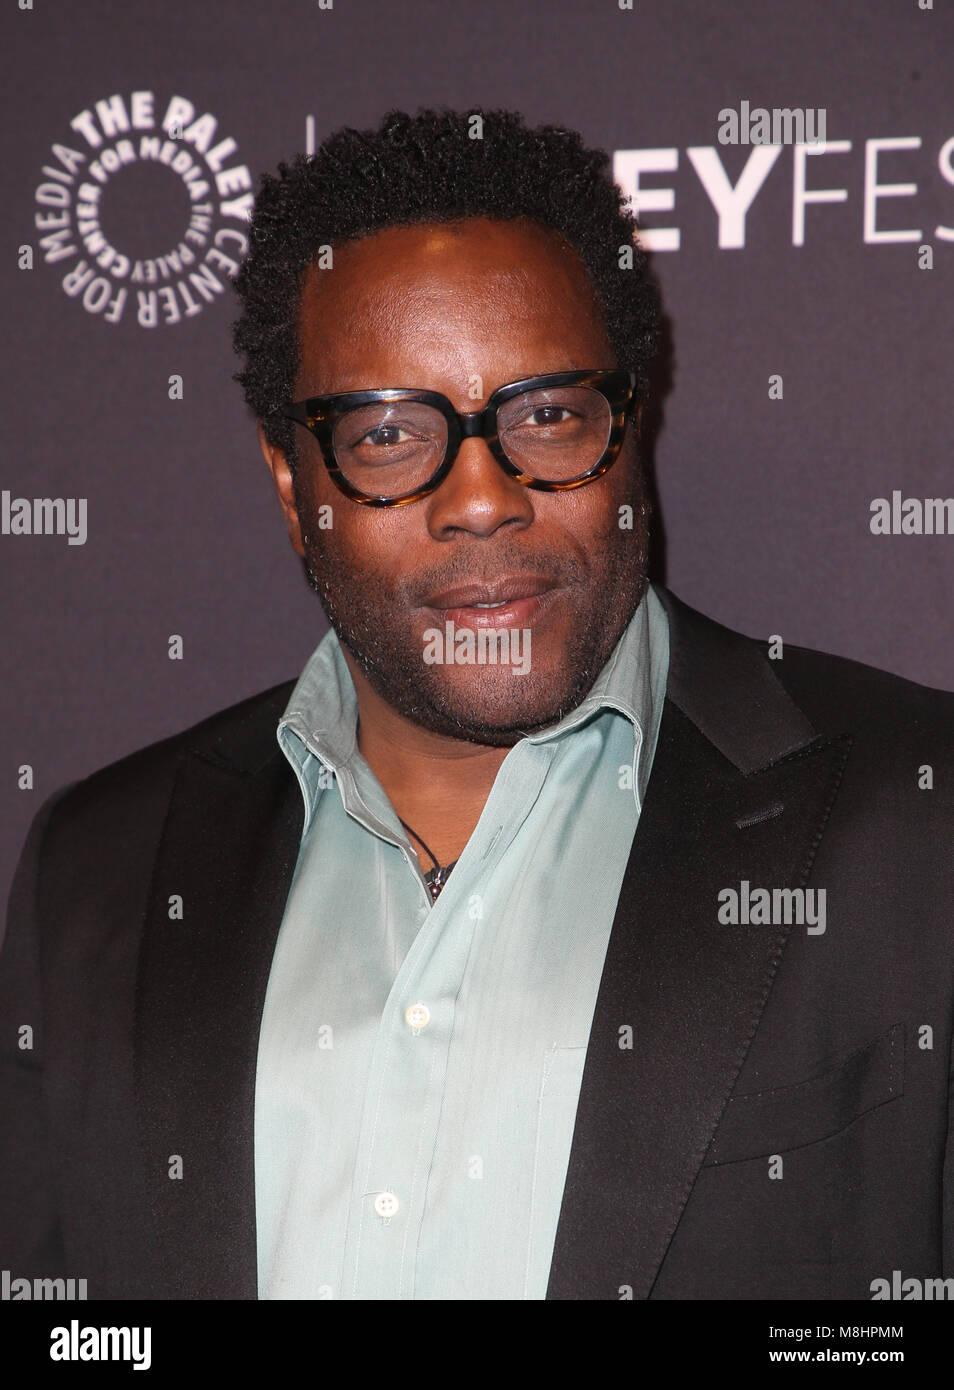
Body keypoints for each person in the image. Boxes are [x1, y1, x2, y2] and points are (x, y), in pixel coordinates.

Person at [2, 108, 952, 1302]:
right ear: (294, 488)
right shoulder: (101, 869)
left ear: (630, 425)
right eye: (390, 434)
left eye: (545, 415)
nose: (483, 497)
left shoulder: (920, 819)